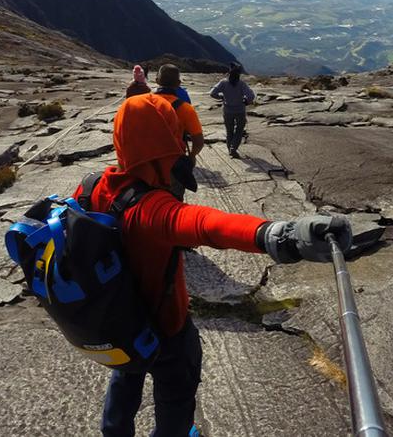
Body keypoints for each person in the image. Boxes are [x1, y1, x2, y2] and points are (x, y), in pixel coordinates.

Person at [78, 94, 352, 437]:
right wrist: (281, 236)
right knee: (176, 395)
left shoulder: (91, 187)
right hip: (165, 329)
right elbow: (206, 224)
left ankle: (114, 432)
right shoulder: (153, 209)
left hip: (117, 323)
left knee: (125, 374)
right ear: (167, 142)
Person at [152, 64, 204, 165]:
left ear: (157, 80)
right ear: (178, 83)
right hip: (174, 160)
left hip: (147, 159)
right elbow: (198, 142)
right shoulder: (185, 109)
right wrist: (192, 155)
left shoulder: (139, 103)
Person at [209, 63, 256, 158]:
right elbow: (251, 96)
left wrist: (221, 97)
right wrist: (246, 102)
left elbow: (212, 93)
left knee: (229, 131)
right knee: (239, 130)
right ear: (239, 74)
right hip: (240, 110)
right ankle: (233, 148)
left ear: (229, 73)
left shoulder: (223, 82)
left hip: (227, 110)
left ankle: (230, 149)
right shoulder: (242, 84)